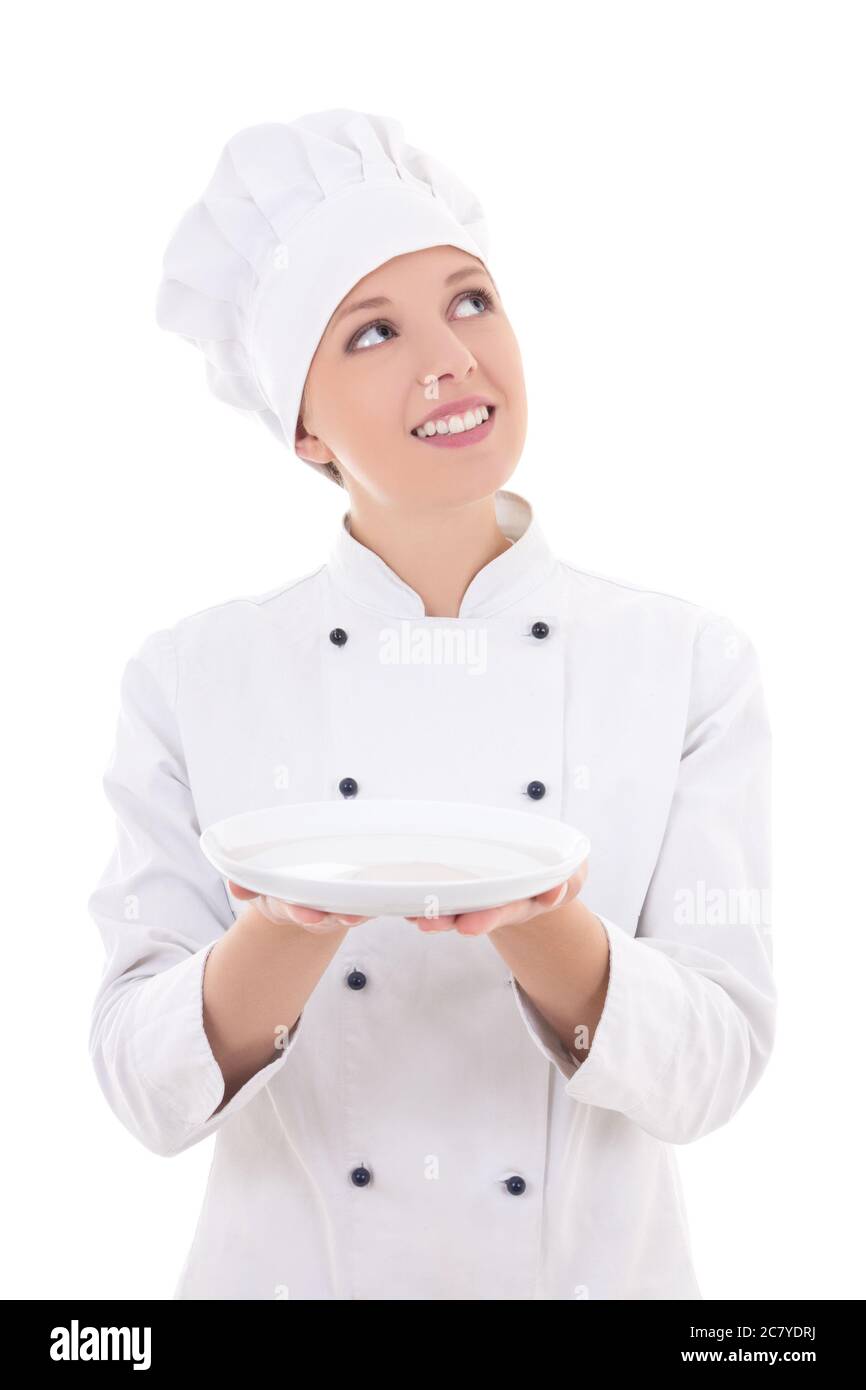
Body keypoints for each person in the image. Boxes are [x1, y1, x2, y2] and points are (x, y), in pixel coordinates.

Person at [87, 109, 776, 1301]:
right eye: (370, 332)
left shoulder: (685, 661)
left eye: (469, 301)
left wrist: (533, 919)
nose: (449, 357)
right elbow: (141, 1090)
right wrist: (287, 924)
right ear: (302, 429)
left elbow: (713, 1071)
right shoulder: (193, 675)